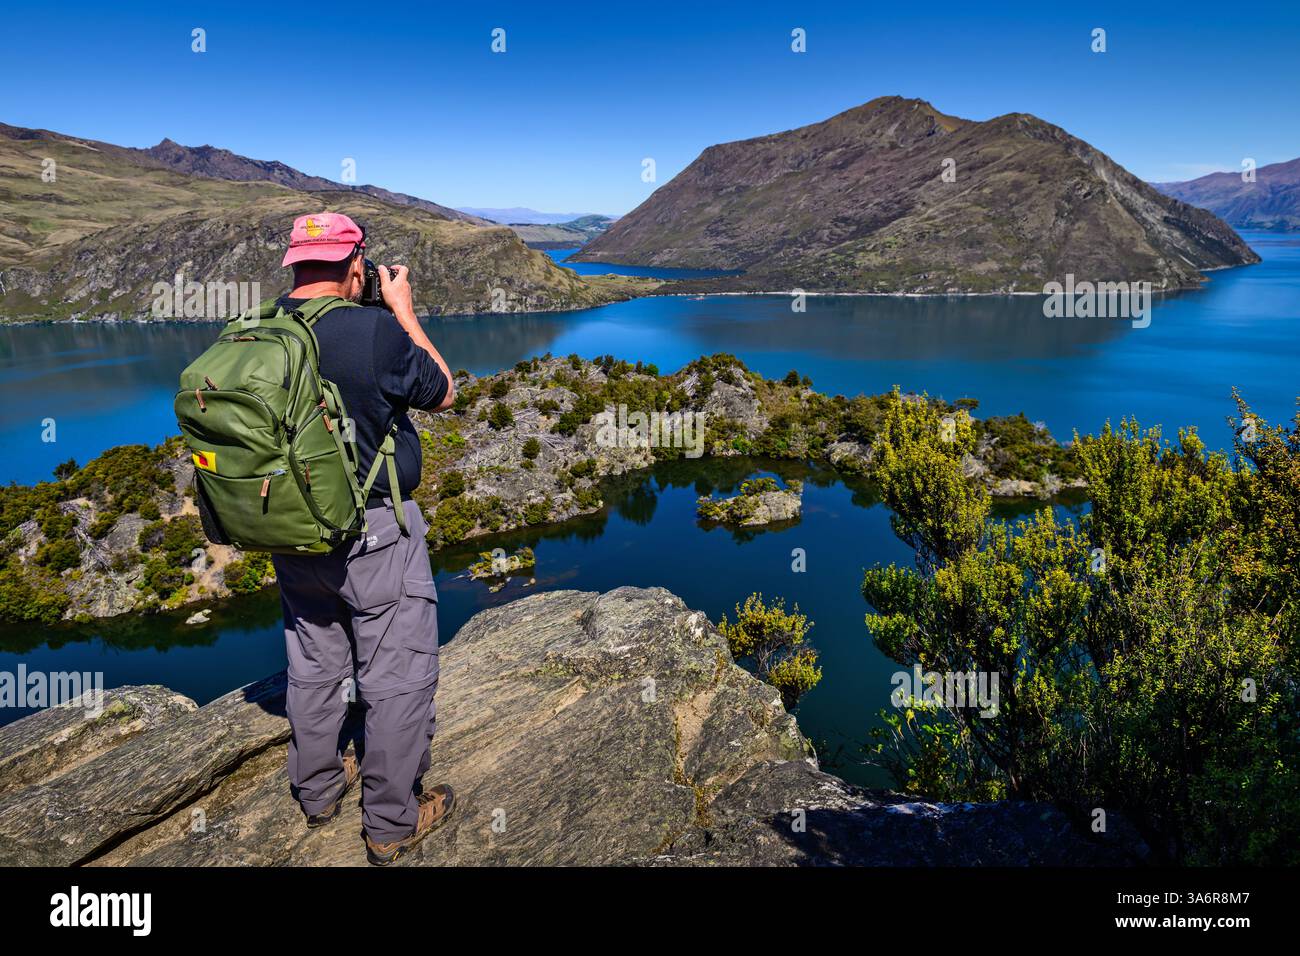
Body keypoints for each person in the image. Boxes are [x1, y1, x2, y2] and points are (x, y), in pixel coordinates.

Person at [270, 212, 457, 865]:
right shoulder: (374, 330)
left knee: (315, 661)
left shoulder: (259, 329)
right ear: (357, 268)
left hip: (291, 534)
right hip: (374, 533)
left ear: (294, 268)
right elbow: (443, 392)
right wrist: (403, 310)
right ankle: (390, 824)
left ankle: (318, 791)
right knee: (398, 676)